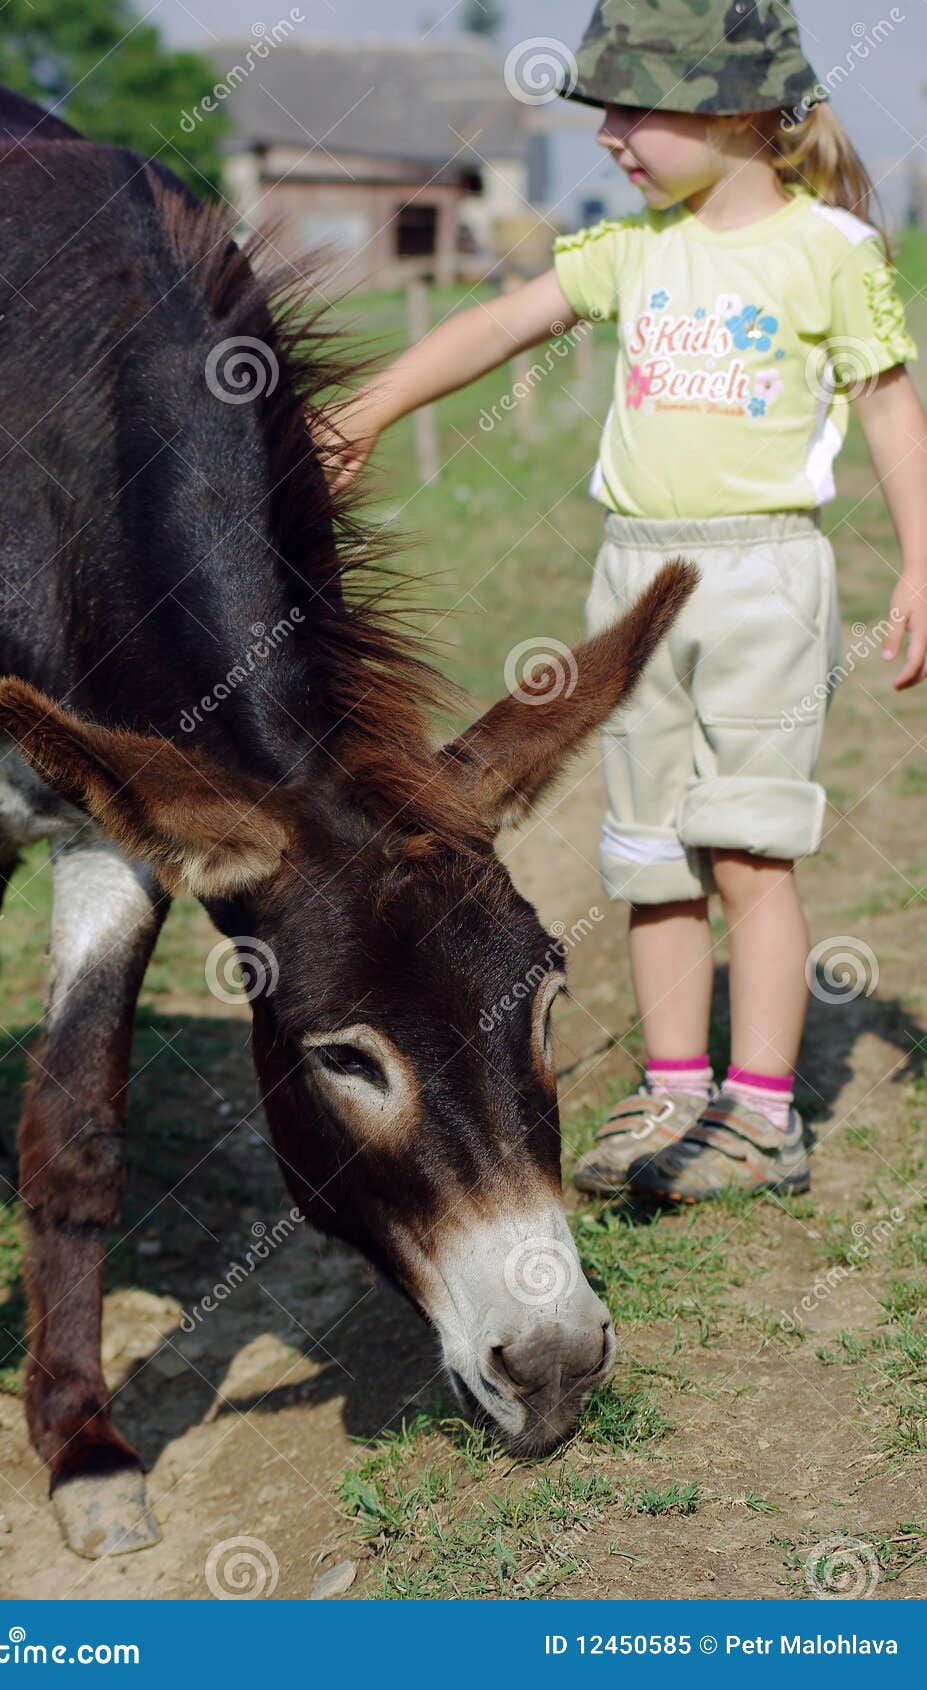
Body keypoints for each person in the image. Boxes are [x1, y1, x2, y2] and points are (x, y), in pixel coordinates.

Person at [319, 0, 927, 1202]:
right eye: (604, 107)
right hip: (633, 585)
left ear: (742, 109)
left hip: (765, 580)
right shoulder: (631, 248)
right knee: (649, 855)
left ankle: (762, 1117)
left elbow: (889, 408)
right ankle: (674, 1089)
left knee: (749, 848)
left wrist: (921, 558)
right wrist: (369, 408)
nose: (609, 133)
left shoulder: (834, 252)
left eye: (637, 105)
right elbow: (499, 321)